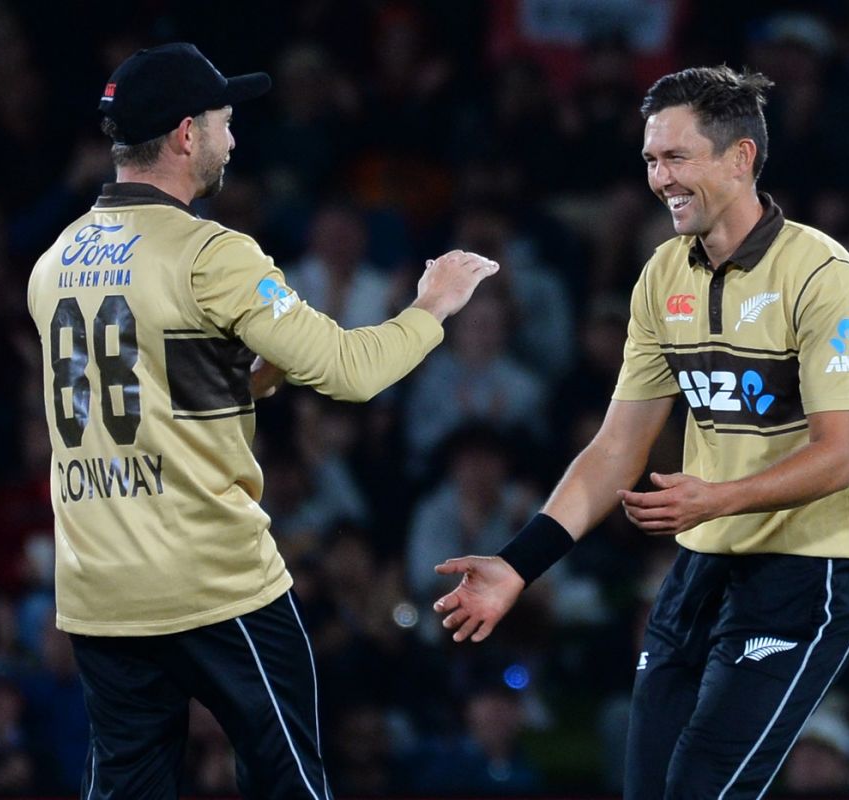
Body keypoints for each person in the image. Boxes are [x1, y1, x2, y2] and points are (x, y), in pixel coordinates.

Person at [25, 43, 498, 800]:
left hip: (99, 587)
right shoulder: (212, 253)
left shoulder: (55, 259)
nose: (233, 139)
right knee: (289, 785)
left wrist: (254, 380)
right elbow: (352, 371)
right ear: (187, 134)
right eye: (223, 121)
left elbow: (155, 394)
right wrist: (432, 305)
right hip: (211, 577)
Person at [434, 65, 849, 800]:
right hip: (700, 565)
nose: (659, 178)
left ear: (740, 158)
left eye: (676, 157)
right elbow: (616, 448)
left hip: (803, 573)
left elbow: (837, 458)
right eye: (650, 159)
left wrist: (716, 498)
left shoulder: (824, 277)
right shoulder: (662, 274)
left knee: (701, 786)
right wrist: (519, 564)